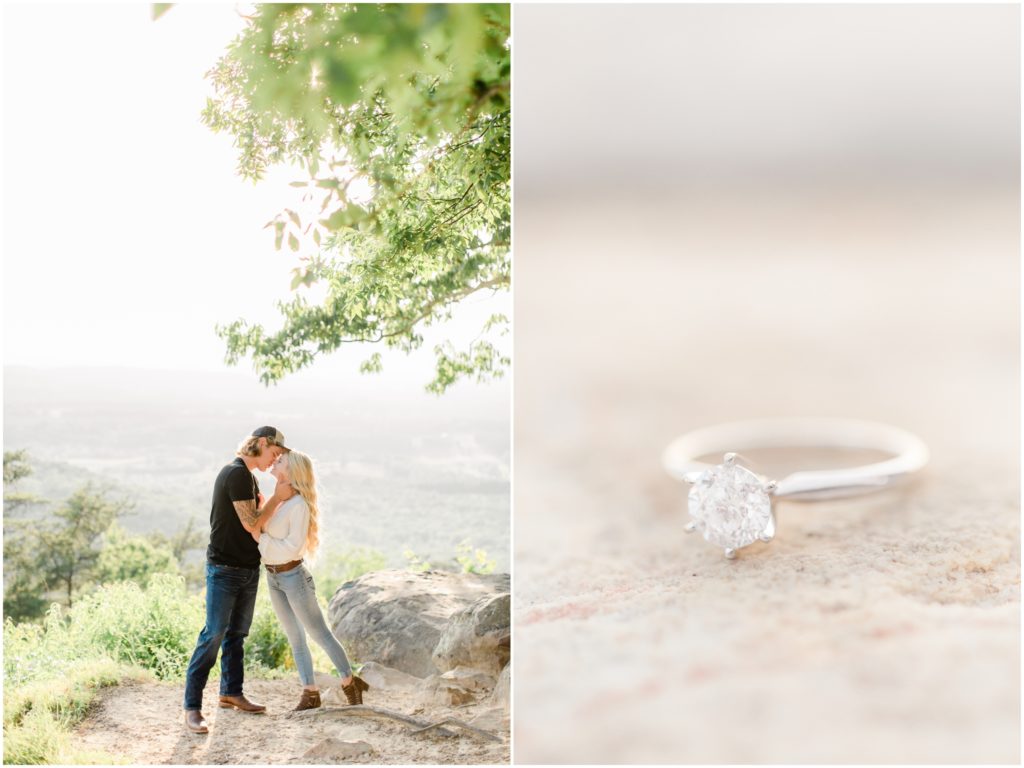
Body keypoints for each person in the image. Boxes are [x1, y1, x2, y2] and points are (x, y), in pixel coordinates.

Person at [183, 426, 293, 734]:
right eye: (274, 453)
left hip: (246, 567)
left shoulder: (250, 476)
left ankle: (231, 693)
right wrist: (278, 498)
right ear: (261, 443)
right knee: (213, 634)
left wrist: (271, 501)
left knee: (236, 635)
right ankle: (192, 708)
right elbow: (252, 524)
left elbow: (256, 525)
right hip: (225, 569)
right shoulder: (236, 474)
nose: (274, 461)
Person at [254, 448, 369, 710]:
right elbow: (265, 530)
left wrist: (261, 540)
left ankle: (350, 681)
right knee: (294, 637)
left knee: (319, 634)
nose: (275, 461)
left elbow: (292, 547)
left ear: (291, 471)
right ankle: (310, 694)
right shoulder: (281, 500)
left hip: (294, 577)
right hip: (273, 577)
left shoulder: (299, 506)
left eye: (280, 460)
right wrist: (265, 533)